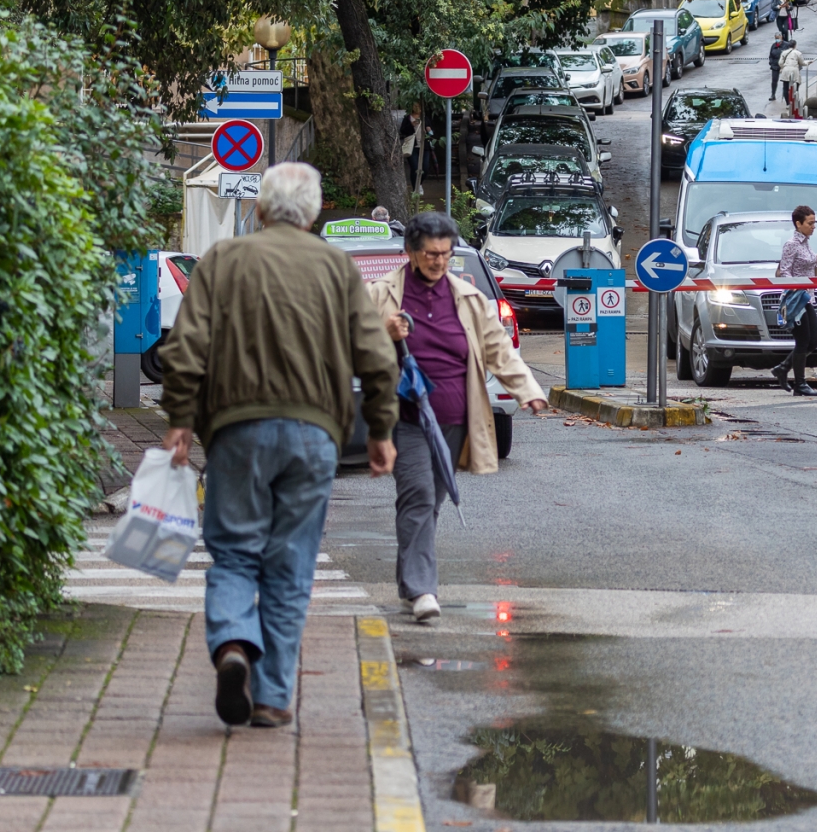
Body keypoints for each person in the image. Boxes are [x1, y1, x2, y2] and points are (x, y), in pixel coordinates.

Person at [159, 163, 399, 730]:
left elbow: (185, 347)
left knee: (234, 552)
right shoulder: (336, 269)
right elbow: (375, 355)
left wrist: (180, 420)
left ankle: (232, 642)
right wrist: (381, 429)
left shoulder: (223, 261)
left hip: (236, 428)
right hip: (314, 434)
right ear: (312, 214)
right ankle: (271, 696)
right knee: (291, 562)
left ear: (262, 210)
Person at [370, 212, 548, 622]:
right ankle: (422, 590)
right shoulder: (382, 294)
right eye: (431, 254)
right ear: (411, 252)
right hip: (407, 416)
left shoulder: (468, 299)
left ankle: (410, 580)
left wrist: (528, 391)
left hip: (455, 417)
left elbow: (498, 348)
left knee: (430, 500)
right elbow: (353, 342)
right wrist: (384, 332)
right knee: (418, 495)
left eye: (445, 254)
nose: (439, 262)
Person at [771, 205, 817, 398]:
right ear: (798, 224)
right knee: (804, 340)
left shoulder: (805, 243)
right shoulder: (791, 244)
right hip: (796, 299)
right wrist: (795, 288)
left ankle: (783, 368)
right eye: (810, 223)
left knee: (815, 339)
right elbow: (784, 271)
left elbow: (807, 264)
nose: (813, 226)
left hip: (806, 297)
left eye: (814, 223)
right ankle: (800, 383)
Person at [779, 41, 809, 117]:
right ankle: (794, 102)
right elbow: (802, 63)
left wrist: (784, 67)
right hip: (794, 70)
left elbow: (780, 63)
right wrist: (808, 62)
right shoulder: (798, 53)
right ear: (795, 45)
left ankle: (788, 103)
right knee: (796, 87)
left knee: (785, 87)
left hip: (786, 70)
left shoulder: (784, 53)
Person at [401, 102, 423, 193]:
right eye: (415, 106)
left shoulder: (424, 118)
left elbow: (430, 129)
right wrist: (411, 125)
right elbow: (402, 131)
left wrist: (429, 130)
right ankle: (415, 188)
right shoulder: (407, 118)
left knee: (425, 167)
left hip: (423, 146)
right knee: (415, 167)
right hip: (412, 146)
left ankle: (419, 184)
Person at [767, 35, 790, 100]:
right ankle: (773, 95)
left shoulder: (786, 45)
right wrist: (771, 63)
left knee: (785, 80)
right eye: (776, 38)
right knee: (774, 81)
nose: (777, 40)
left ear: (781, 38)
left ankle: (786, 94)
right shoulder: (773, 45)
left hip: (784, 66)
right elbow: (770, 55)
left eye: (778, 38)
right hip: (775, 65)